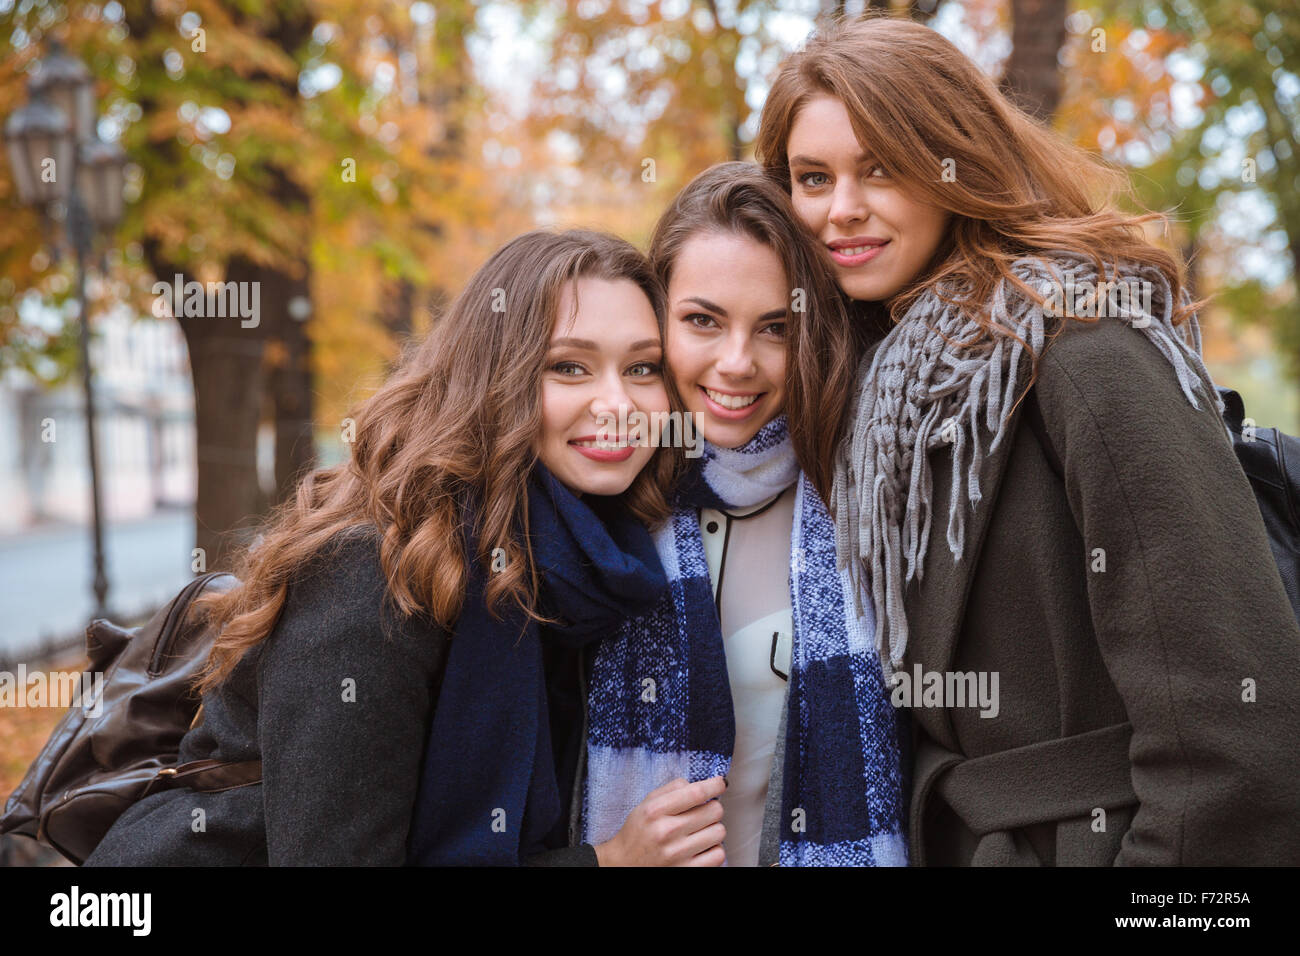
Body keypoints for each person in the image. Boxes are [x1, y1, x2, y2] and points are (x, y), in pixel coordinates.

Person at [755, 13, 1300, 865]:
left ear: (953, 164)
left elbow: (1243, 730)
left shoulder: (1083, 350)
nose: (841, 210)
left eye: (882, 168)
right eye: (811, 177)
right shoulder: (864, 392)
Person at [86, 228, 706, 866]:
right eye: (569, 367)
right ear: (496, 377)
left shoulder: (582, 565)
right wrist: (610, 862)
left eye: (642, 368)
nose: (619, 404)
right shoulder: (375, 568)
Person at [583, 162, 908, 867]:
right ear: (655, 317)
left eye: (774, 329)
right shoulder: (594, 499)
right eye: (703, 320)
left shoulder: (864, 501)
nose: (737, 363)